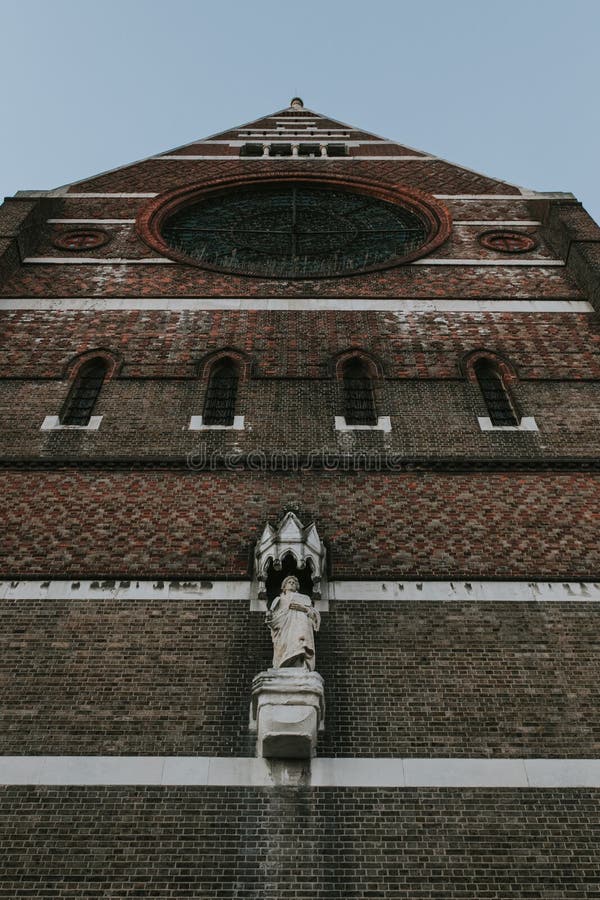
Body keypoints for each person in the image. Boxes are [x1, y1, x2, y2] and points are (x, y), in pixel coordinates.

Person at [266, 575, 320, 670]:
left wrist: (304, 609)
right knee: (284, 646)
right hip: (283, 627)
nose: (292, 584)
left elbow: (315, 615)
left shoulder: (304, 598)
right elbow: (272, 616)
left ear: (297, 586)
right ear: (284, 586)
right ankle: (282, 663)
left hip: (299, 625)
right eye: (289, 582)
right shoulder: (278, 599)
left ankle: (300, 664)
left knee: (299, 644)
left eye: (294, 583)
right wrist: (270, 616)